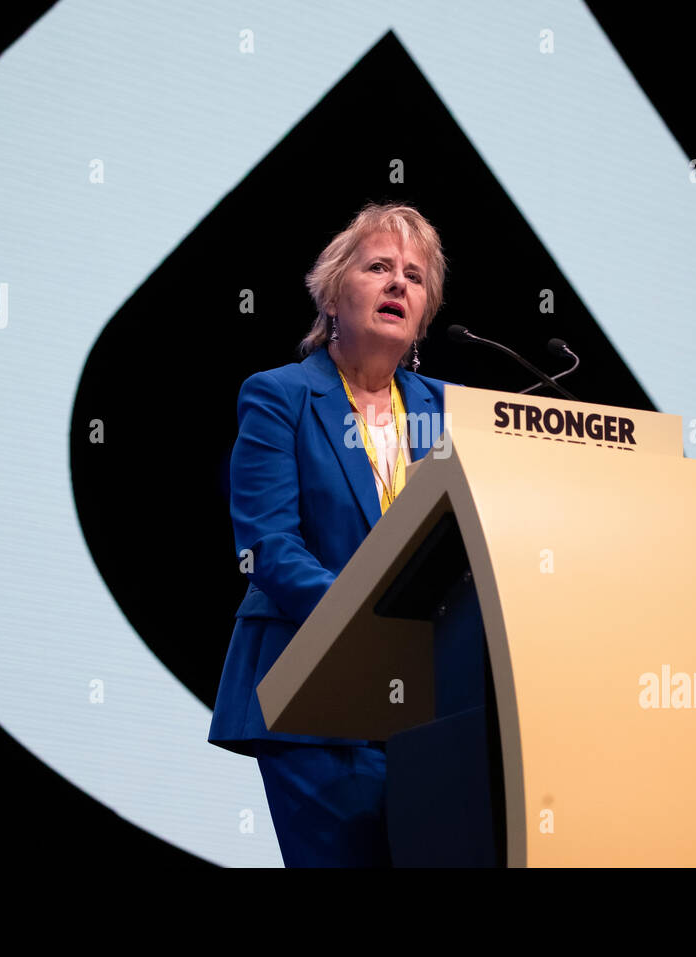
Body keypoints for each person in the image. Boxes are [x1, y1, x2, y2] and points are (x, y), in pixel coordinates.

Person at [207, 203, 452, 867]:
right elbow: (268, 547)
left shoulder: (446, 409)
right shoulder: (280, 396)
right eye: (379, 267)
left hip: (435, 701)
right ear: (334, 293)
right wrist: (369, 620)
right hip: (313, 692)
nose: (399, 283)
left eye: (415, 276)